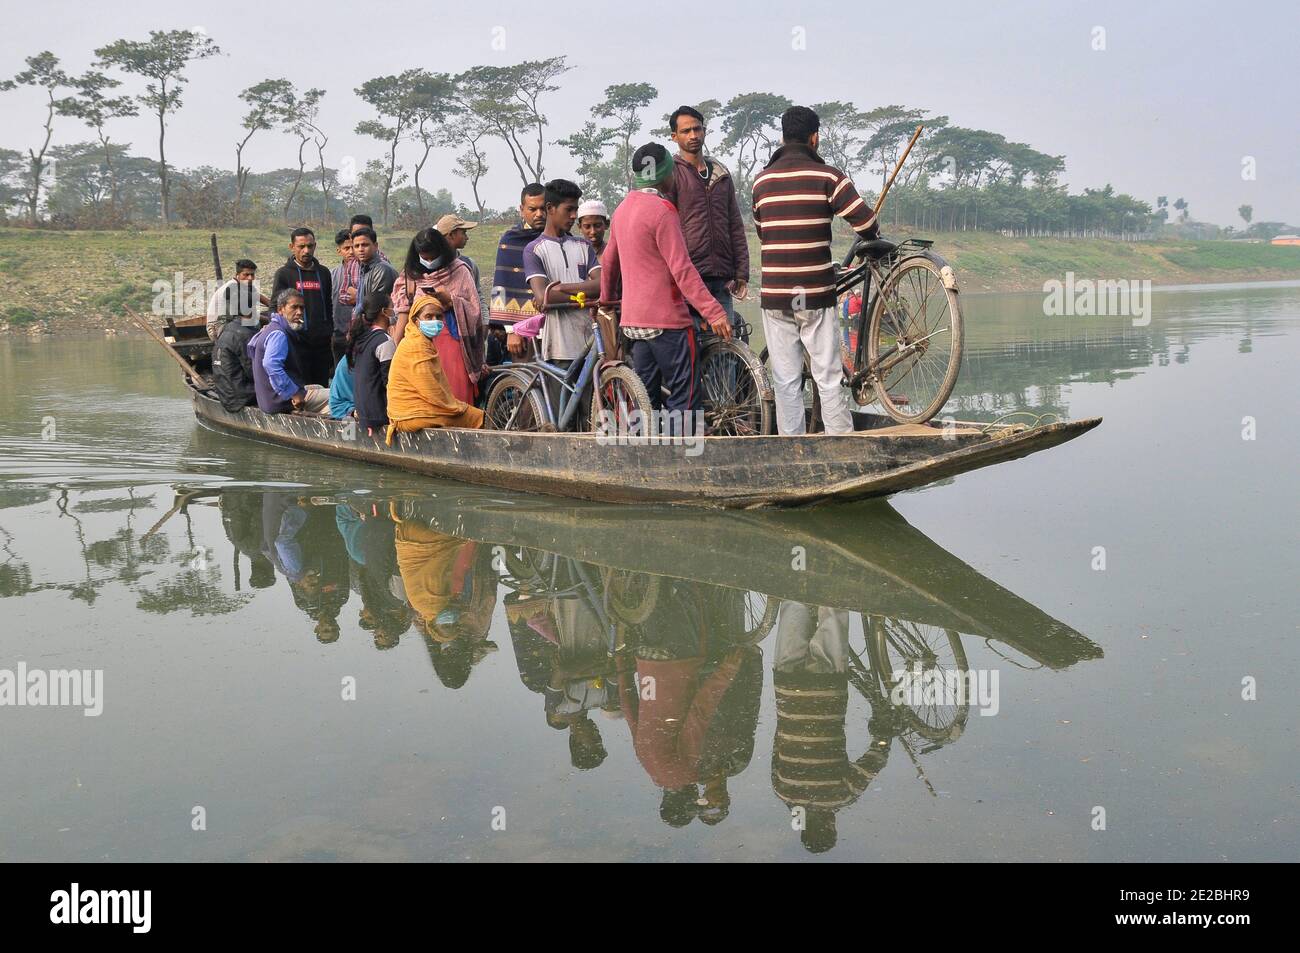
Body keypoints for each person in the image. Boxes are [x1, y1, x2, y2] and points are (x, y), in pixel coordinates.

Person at [752, 105, 880, 435]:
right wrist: (870, 237)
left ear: (782, 138)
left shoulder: (761, 182)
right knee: (827, 375)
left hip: (776, 294)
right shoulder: (829, 177)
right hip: (814, 293)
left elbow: (764, 232)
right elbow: (866, 222)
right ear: (815, 138)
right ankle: (840, 443)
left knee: (786, 380)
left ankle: (792, 448)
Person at [600, 143, 732, 433]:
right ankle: (681, 459)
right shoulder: (663, 211)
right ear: (666, 174)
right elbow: (682, 270)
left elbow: (609, 261)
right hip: (668, 323)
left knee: (645, 398)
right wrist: (714, 312)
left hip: (634, 323)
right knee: (684, 398)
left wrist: (607, 301)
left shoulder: (622, 210)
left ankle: (645, 455)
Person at [669, 106, 750, 340]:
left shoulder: (721, 174)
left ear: (704, 131)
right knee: (692, 346)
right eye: (686, 131)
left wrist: (742, 270)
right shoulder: (672, 174)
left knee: (726, 346)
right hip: (688, 276)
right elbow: (666, 225)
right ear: (675, 137)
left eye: (697, 129)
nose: (693, 135)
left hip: (722, 277)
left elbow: (735, 223)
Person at [390, 227, 486, 404]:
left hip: (452, 340)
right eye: (424, 258)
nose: (428, 261)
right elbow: (403, 311)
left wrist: (450, 300)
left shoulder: (460, 271)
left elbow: (474, 309)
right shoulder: (410, 276)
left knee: (455, 393)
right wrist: (396, 345)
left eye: (432, 257)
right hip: (417, 342)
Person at [512, 179, 601, 364]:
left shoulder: (584, 246)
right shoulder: (534, 249)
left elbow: (602, 284)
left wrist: (560, 290)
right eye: (569, 210)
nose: (574, 215)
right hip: (559, 347)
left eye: (576, 209)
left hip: (591, 343)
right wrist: (586, 292)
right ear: (551, 208)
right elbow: (544, 296)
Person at [386, 294, 485, 438]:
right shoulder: (416, 345)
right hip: (408, 415)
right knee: (476, 416)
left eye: (439, 317)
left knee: (467, 412)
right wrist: (457, 407)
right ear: (415, 320)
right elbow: (431, 390)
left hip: (415, 410)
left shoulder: (422, 342)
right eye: (429, 317)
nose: (435, 321)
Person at [248, 289, 331, 415]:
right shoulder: (278, 334)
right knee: (339, 396)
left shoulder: (271, 328)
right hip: (279, 401)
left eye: (302, 308)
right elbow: (271, 364)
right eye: (294, 307)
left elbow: (251, 349)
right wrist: (294, 393)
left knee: (318, 387)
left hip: (268, 399)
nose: (299, 312)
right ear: (281, 310)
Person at [270, 227, 334, 386]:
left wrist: (329, 330)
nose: (306, 250)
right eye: (301, 246)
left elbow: (328, 304)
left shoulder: (324, 273)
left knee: (322, 387)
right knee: (301, 386)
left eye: (310, 246)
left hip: (321, 344)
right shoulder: (284, 274)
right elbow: (275, 307)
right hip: (296, 343)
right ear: (292, 247)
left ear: (315, 246)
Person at [489, 183, 547, 324]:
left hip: (555, 321)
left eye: (543, 208)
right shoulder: (510, 240)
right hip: (518, 328)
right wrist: (509, 330)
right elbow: (501, 284)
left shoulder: (560, 238)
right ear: (521, 210)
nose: (539, 214)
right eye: (532, 209)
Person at [346, 290, 397, 435]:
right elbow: (390, 383)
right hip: (379, 415)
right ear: (384, 312)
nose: (394, 312)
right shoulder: (384, 342)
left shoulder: (362, 339)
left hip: (363, 413)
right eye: (392, 308)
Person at [211, 304, 261, 414]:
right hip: (241, 397)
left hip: (225, 393)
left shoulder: (226, 329)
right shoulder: (246, 334)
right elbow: (254, 372)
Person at [205, 259, 267, 342]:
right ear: (237, 275)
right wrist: (269, 319)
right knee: (256, 325)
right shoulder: (232, 287)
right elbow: (246, 315)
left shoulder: (247, 286)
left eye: (252, 275)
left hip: (232, 320)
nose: (250, 278)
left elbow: (264, 300)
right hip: (218, 325)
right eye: (246, 274)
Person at [347, 227, 397, 322]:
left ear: (375, 246)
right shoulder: (365, 268)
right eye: (356, 246)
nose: (360, 249)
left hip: (379, 326)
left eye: (365, 245)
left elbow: (374, 307)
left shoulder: (382, 270)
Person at [329, 229, 354, 364]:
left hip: (360, 334)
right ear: (339, 250)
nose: (351, 252)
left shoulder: (367, 273)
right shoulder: (331, 275)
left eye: (353, 247)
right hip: (337, 335)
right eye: (346, 248)